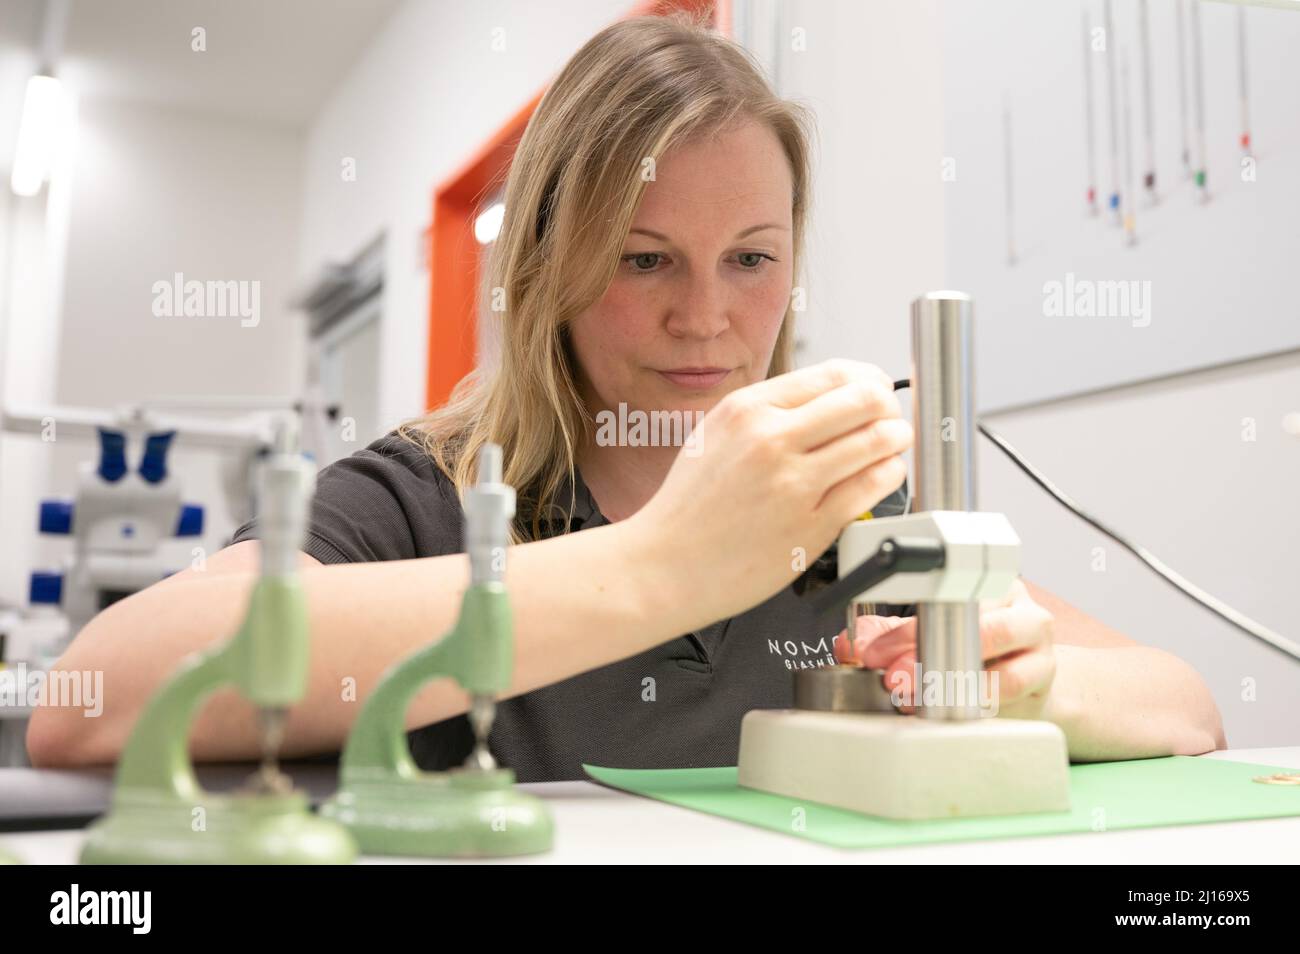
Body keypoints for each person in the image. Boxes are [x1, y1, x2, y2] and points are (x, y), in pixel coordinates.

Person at [27, 13, 1224, 780]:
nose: (704, 317)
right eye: (643, 258)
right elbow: (93, 703)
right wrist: (668, 564)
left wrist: (1036, 682)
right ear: (548, 267)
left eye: (749, 258)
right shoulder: (423, 497)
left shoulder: (850, 510)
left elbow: (1182, 705)